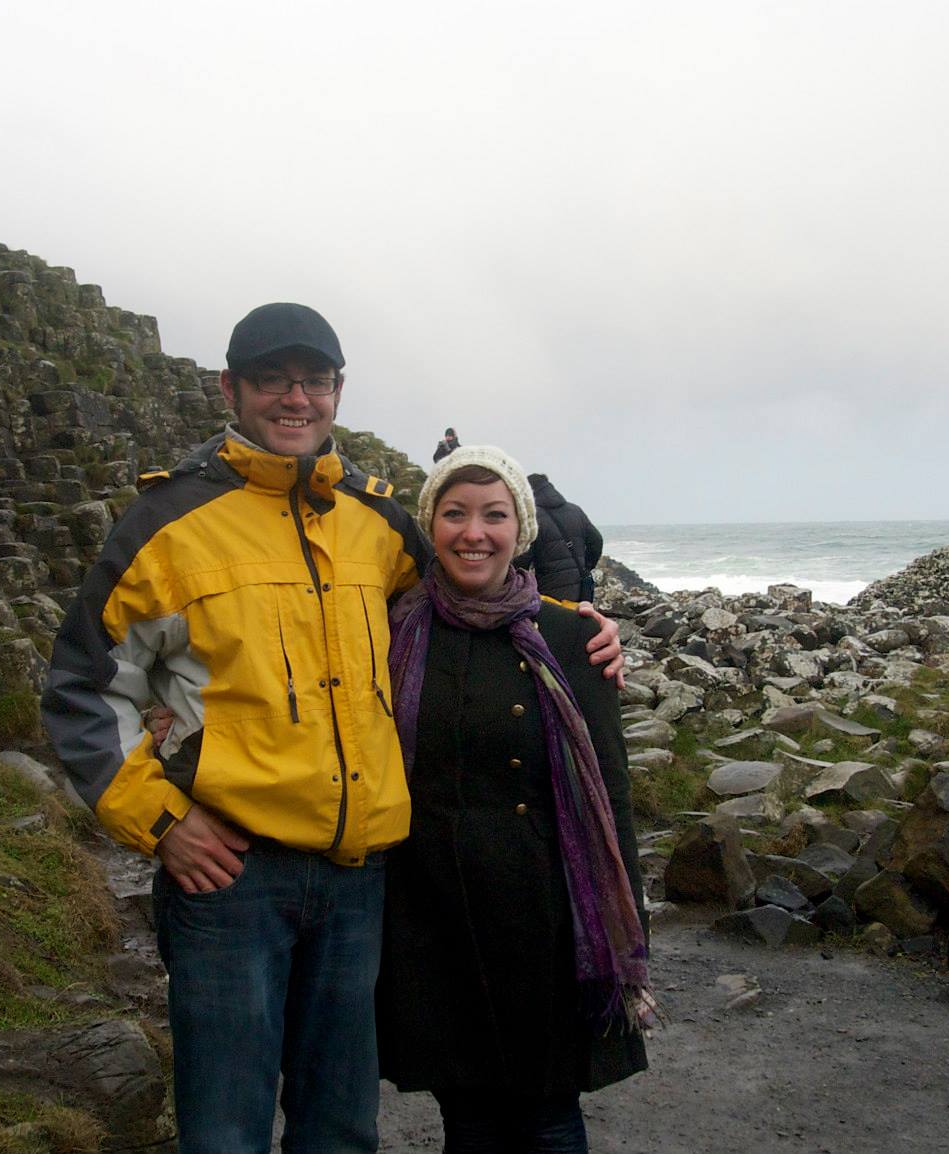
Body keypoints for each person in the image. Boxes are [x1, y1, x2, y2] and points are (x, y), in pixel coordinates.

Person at [41, 304, 622, 1154]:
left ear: (338, 391)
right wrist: (159, 822)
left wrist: (582, 629)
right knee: (226, 1130)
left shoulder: (376, 523)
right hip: (230, 881)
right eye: (273, 379)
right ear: (230, 389)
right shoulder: (165, 527)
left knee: (342, 1130)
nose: (295, 398)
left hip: (360, 886)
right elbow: (84, 688)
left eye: (314, 380)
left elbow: (477, 592)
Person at [379, 444, 652, 1154]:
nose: (475, 532)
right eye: (456, 513)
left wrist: (629, 924)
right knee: (467, 1119)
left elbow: (610, 793)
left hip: (547, 918)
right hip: (433, 916)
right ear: (430, 525)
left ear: (520, 529)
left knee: (548, 1117)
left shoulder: (575, 637)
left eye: (494, 515)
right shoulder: (391, 631)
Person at [516, 472, 605, 604]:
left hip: (550, 591)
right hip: (581, 590)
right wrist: (586, 566)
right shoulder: (576, 511)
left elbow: (523, 558)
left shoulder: (533, 518)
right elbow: (597, 541)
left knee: (555, 623)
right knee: (579, 622)